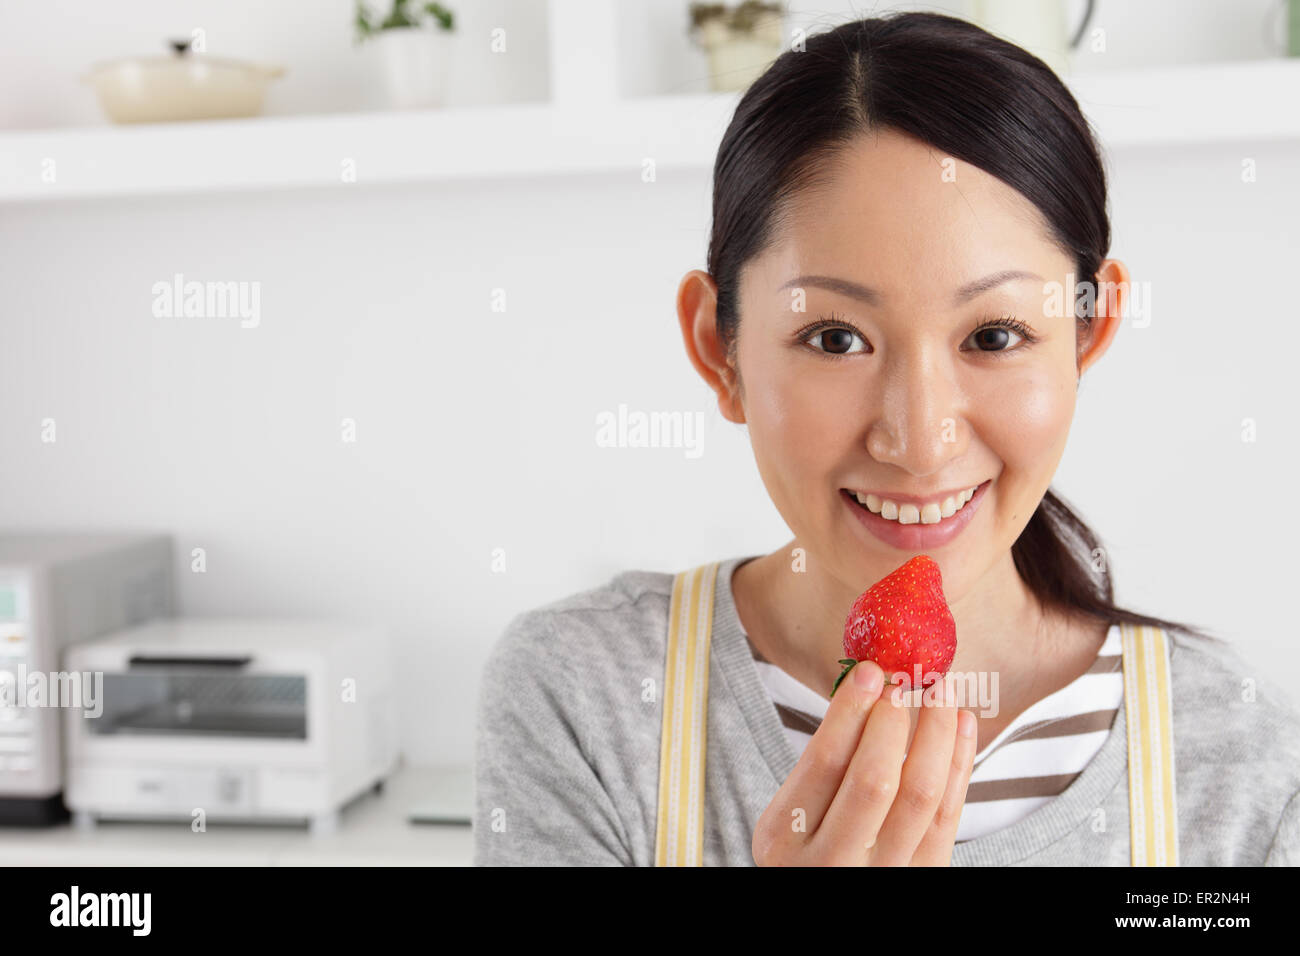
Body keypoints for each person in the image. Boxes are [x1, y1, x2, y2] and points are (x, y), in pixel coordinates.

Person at [473, 11, 1300, 866]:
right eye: (836, 338)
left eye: (995, 335)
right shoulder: (587, 700)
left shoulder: (1238, 765)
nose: (920, 441)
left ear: (1088, 336)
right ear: (721, 349)